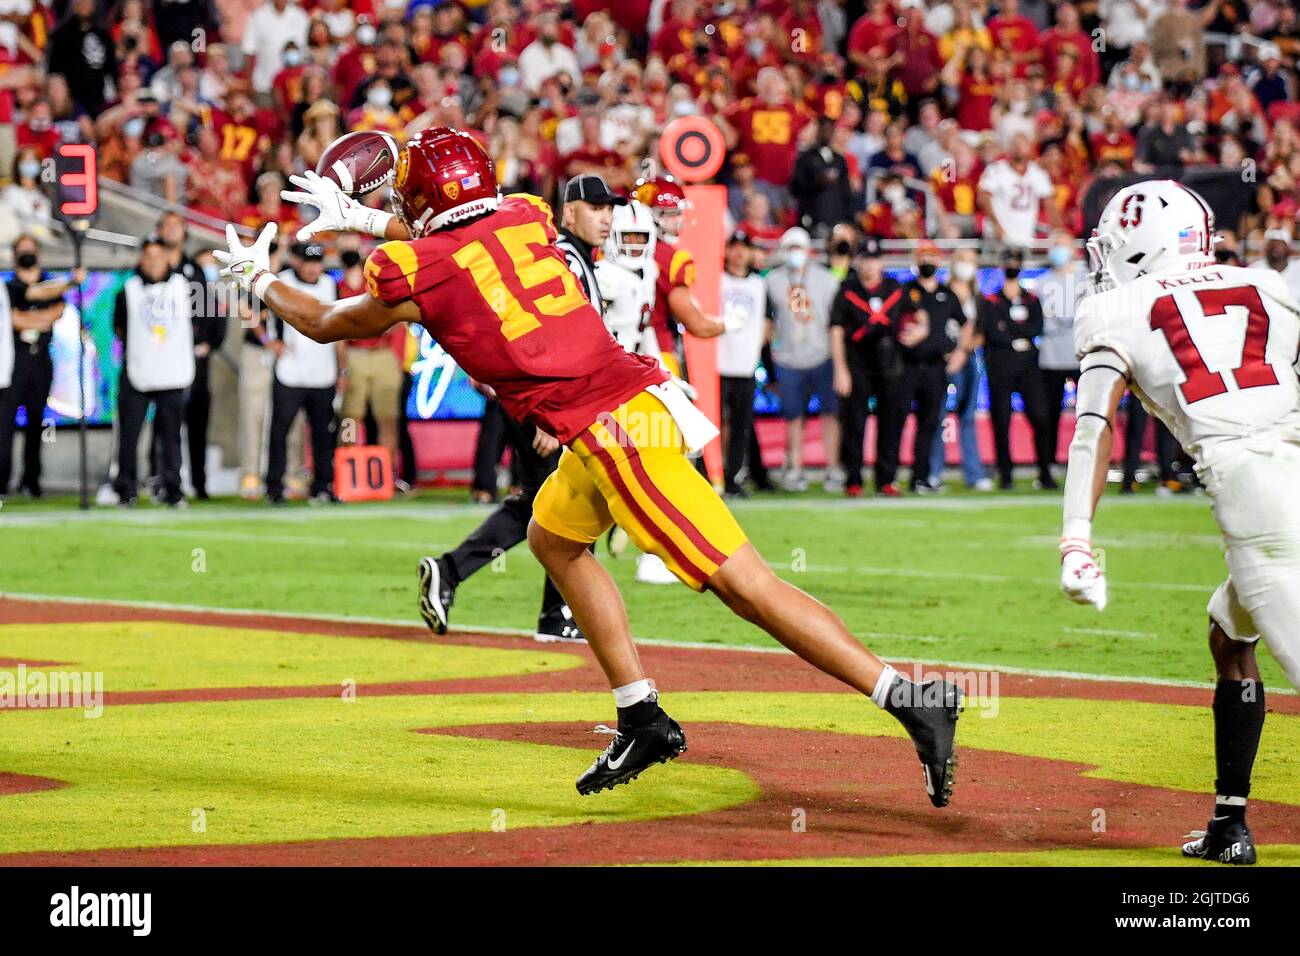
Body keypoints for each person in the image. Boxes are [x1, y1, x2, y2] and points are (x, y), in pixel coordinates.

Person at [232, 125, 960, 803]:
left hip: (617, 431)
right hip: (618, 412)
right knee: (552, 539)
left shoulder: (413, 266)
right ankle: (641, 716)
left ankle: (906, 697)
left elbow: (327, 321)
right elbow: (456, 239)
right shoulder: (522, 216)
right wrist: (366, 221)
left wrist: (259, 279)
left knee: (747, 585)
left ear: (421, 203)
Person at [1061, 178, 1300, 865]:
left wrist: (1076, 537)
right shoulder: (1269, 284)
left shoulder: (1115, 310)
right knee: (1229, 635)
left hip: (1257, 493)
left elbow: (1094, 427)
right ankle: (1231, 823)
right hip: (1286, 470)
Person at [416, 174, 631, 643]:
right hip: (544, 402)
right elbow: (546, 338)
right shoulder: (565, 257)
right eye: (596, 208)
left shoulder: (563, 254)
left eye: (610, 208)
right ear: (568, 210)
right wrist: (550, 415)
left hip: (535, 398)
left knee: (545, 502)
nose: (606, 217)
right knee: (565, 505)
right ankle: (551, 615)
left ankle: (460, 576)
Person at [112, 236, 194, 508]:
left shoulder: (185, 287)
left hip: (173, 372)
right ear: (141, 259)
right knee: (129, 436)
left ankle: (173, 489)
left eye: (158, 256)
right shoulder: (129, 289)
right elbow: (119, 328)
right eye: (148, 257)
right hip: (138, 371)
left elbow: (204, 320)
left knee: (171, 438)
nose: (153, 262)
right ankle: (125, 489)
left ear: (168, 258)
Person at [0, 236, 81, 498]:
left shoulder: (50, 283)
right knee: (5, 423)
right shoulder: (9, 286)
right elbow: (16, 317)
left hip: (41, 359)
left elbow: (57, 311)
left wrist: (30, 319)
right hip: (15, 360)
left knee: (38, 422)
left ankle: (31, 480)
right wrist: (38, 318)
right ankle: (3, 480)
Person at [880, 240, 962, 495]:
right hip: (907, 366)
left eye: (931, 257)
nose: (927, 262)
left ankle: (921, 477)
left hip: (936, 366)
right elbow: (892, 322)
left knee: (929, 424)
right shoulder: (905, 291)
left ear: (938, 261)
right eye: (922, 257)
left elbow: (966, 322)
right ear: (916, 261)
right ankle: (887, 477)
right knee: (896, 422)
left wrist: (960, 352)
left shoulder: (947, 294)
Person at [766, 227, 843, 492]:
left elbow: (836, 323)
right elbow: (768, 324)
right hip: (788, 358)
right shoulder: (773, 280)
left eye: (799, 248)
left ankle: (833, 468)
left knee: (830, 414)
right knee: (793, 418)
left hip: (822, 355)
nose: (795, 253)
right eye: (790, 248)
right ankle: (795, 469)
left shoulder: (826, 279)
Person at [975, 248, 1057, 490]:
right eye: (1008, 260)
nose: (1012, 264)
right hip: (1000, 365)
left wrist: (1009, 331)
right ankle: (1006, 475)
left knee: (1040, 417)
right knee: (1001, 420)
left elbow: (1036, 327)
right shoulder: (990, 300)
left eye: (1016, 261)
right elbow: (992, 330)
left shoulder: (1031, 299)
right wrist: (1013, 334)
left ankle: (1045, 472)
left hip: (1028, 366)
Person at [831, 236, 902, 497]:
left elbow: (916, 315)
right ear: (857, 262)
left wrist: (919, 330)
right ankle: (853, 478)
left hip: (889, 365)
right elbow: (836, 330)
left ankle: (886, 479)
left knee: (890, 423)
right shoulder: (847, 289)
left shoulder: (895, 288)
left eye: (874, 260)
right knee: (854, 423)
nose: (870, 266)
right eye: (865, 259)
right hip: (857, 363)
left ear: (881, 262)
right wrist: (840, 368)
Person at [267, 242, 338, 505]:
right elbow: (249, 309)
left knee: (322, 433)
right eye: (307, 262)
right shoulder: (281, 282)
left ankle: (323, 486)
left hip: (323, 370)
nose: (312, 268)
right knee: (279, 431)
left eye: (317, 262)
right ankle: (274, 487)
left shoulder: (330, 285)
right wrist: (268, 339)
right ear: (296, 261)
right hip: (291, 370)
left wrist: (342, 368)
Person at [931, 246, 992, 491]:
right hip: (942, 359)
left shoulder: (978, 296)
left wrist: (964, 350)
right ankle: (933, 472)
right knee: (938, 417)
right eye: (962, 260)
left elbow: (982, 331)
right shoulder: (942, 293)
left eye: (971, 261)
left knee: (968, 418)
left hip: (969, 361)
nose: (966, 265)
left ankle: (974, 474)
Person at [718, 230, 768, 497]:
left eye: (743, 247)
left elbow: (766, 322)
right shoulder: (716, 280)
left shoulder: (759, 284)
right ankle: (712, 475)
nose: (738, 252)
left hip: (746, 365)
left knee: (741, 426)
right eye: (733, 246)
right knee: (713, 425)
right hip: (717, 363)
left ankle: (734, 477)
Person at [1037, 229, 1087, 476]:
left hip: (1082, 355)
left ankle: (1087, 464)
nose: (1058, 249)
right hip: (1051, 358)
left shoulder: (1086, 279)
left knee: (1088, 415)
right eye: (1054, 244)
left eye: (1063, 244)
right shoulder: (1041, 282)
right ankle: (1046, 469)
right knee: (1048, 416)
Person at [978, 133, 1060, 248]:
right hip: (1000, 235)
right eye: (1015, 144)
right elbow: (984, 198)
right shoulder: (996, 169)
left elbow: (1050, 203)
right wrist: (996, 224)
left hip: (1025, 234)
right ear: (1009, 148)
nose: (1019, 148)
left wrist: (1058, 230)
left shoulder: (1037, 173)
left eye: (1022, 145)